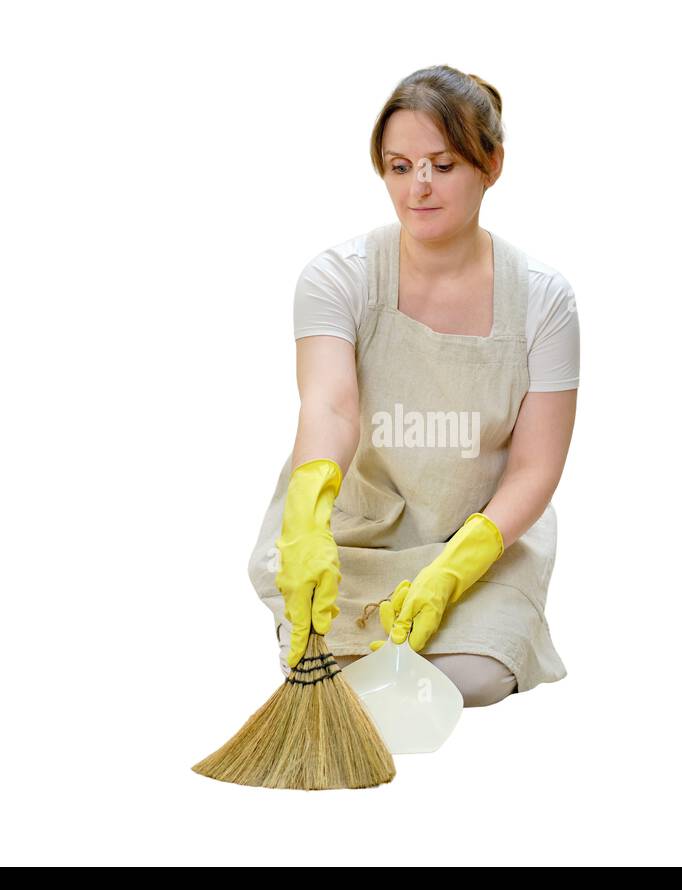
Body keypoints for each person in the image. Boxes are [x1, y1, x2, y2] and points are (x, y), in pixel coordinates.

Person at [246, 65, 579, 708]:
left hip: (480, 536)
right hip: (359, 531)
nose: (418, 187)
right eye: (399, 167)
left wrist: (455, 566)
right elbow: (331, 406)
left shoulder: (542, 299)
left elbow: (537, 467)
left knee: (473, 679)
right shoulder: (338, 278)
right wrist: (308, 518)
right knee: (332, 649)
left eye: (442, 165)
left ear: (492, 165)